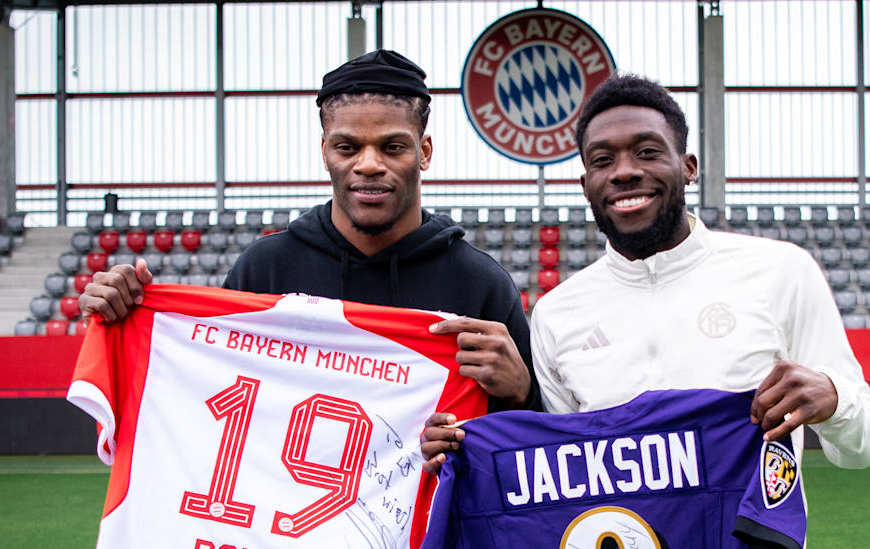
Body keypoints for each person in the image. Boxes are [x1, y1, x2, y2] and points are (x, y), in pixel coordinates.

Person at [532, 74, 870, 549]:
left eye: (647, 152)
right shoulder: (556, 314)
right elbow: (566, 488)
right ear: (586, 183)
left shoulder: (779, 272)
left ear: (688, 166)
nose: (624, 170)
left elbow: (863, 447)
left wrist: (835, 398)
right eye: (603, 159)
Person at [78, 49, 532, 410]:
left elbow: (529, 459)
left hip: (427, 526)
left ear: (425, 152)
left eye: (393, 147)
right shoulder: (266, 271)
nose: (369, 164)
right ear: (324, 151)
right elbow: (199, 402)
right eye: (347, 147)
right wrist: (123, 320)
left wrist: (519, 392)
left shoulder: (480, 285)